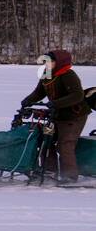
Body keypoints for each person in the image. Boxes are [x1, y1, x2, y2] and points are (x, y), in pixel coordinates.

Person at [21, 49, 88, 183]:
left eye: (50, 61)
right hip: (55, 115)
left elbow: (77, 95)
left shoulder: (68, 75)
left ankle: (69, 176)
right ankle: (50, 171)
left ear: (59, 62)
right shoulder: (47, 74)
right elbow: (39, 92)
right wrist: (28, 100)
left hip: (73, 116)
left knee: (65, 145)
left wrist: (55, 103)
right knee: (46, 140)